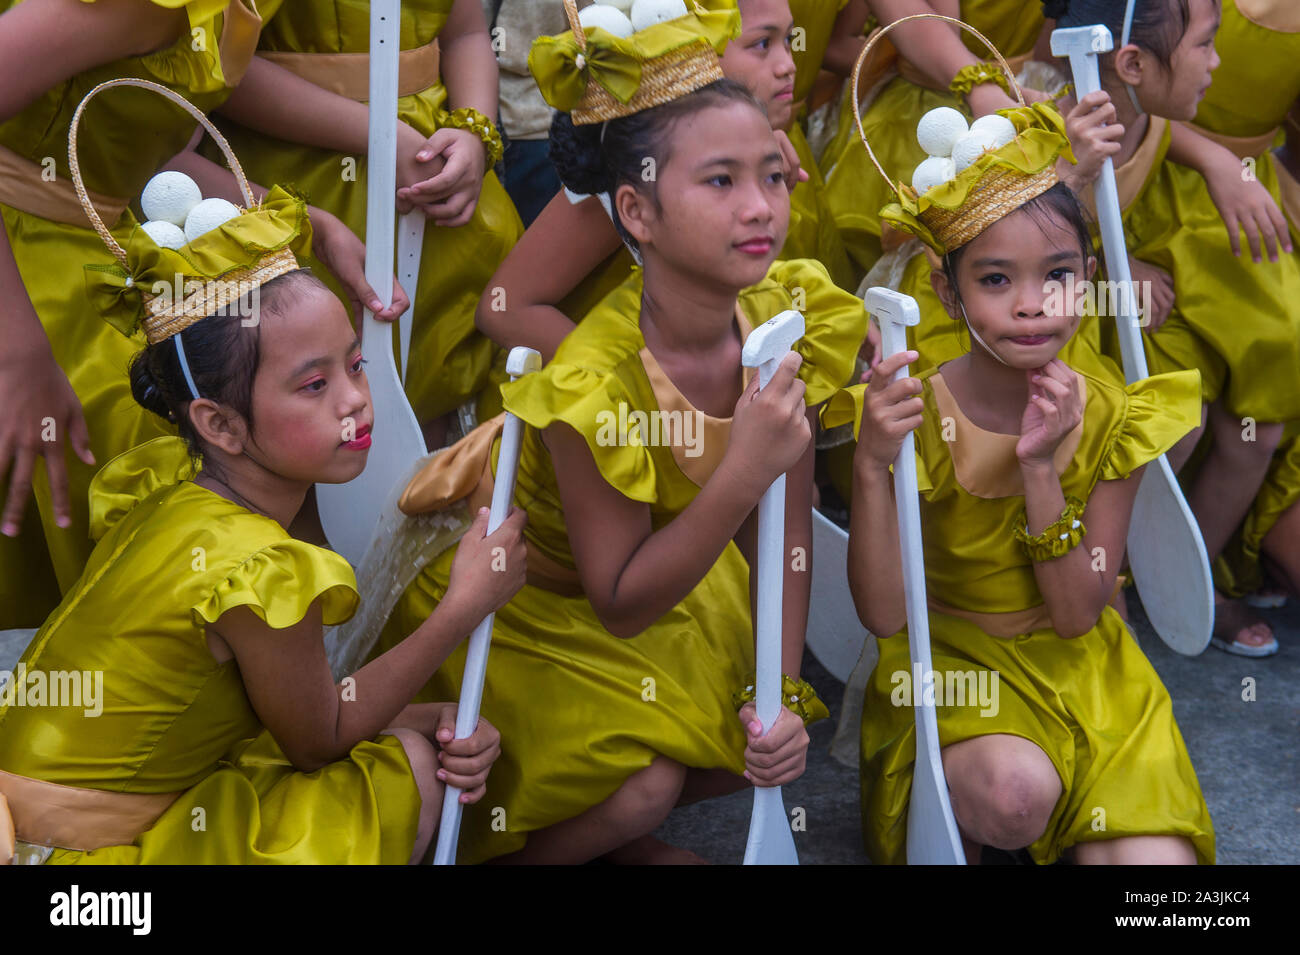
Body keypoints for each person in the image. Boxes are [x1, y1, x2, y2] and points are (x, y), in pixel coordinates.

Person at [376, 7, 866, 863]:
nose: (760, 208)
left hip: (675, 577)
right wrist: (742, 465)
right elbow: (623, 600)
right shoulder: (594, 385)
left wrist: (779, 693)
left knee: (742, 751)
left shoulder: (785, 317)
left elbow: (786, 534)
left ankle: (611, 837)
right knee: (648, 785)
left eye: (773, 178)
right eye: (720, 182)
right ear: (634, 211)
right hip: (541, 612)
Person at [0, 186, 519, 864]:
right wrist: (461, 607)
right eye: (314, 385)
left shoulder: (172, 498)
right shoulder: (253, 566)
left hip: (57, 797)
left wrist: (421, 713)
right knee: (408, 776)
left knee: (409, 743)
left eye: (355, 365)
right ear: (219, 422)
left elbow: (277, 706)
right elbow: (317, 736)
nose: (356, 401)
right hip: (74, 861)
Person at [829, 91, 1214, 864]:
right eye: (997, 280)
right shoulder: (913, 414)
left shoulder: (1113, 413)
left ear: (1089, 275)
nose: (1034, 306)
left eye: (1058, 276)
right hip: (958, 667)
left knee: (1167, 889)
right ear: (949, 293)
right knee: (1015, 798)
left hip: (1083, 663)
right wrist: (872, 464)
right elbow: (881, 614)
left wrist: (1042, 469)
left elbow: (1077, 615)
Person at [0, 0, 402, 628]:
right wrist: (18, 354)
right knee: (155, 445)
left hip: (100, 239)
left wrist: (311, 225)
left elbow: (139, 159)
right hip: (22, 266)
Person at [1049, 0, 1299, 656]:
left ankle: (1159, 577)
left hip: (1084, 296)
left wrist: (1220, 162)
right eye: (1206, 47)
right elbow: (1020, 232)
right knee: (1151, 426)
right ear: (1132, 63)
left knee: (1220, 418)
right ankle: (1100, 588)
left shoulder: (1142, 113)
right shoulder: (1058, 116)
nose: (1216, 63)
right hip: (1037, 320)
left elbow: (1159, 137)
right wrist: (1112, 266)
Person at [473, 0, 856, 404]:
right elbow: (503, 307)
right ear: (689, 45)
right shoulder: (639, 175)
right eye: (761, 44)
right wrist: (643, 387)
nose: (787, 64)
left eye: (788, 39)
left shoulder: (775, 148)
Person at [211, 0, 524, 448]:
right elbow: (216, 66)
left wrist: (475, 131)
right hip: (297, 181)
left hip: (438, 183)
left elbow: (466, 34)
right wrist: (382, 135)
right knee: (307, 395)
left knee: (432, 396)